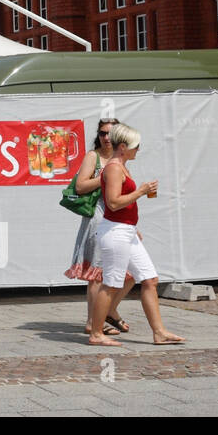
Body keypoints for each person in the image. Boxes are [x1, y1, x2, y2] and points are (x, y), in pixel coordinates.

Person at [88, 123, 186, 347]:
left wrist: (133, 224)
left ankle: (159, 332)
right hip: (115, 232)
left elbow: (120, 204)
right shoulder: (113, 167)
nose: (138, 150)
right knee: (111, 283)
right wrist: (140, 192)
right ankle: (96, 333)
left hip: (125, 230)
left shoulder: (121, 165)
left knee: (150, 279)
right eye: (135, 146)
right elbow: (112, 203)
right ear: (122, 146)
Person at [66, 118, 133, 337]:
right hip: (98, 216)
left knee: (130, 273)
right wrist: (104, 177)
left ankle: (107, 312)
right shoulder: (93, 156)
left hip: (117, 219)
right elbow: (80, 185)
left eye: (110, 134)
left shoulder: (120, 158)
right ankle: (92, 322)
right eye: (102, 133)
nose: (106, 137)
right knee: (96, 273)